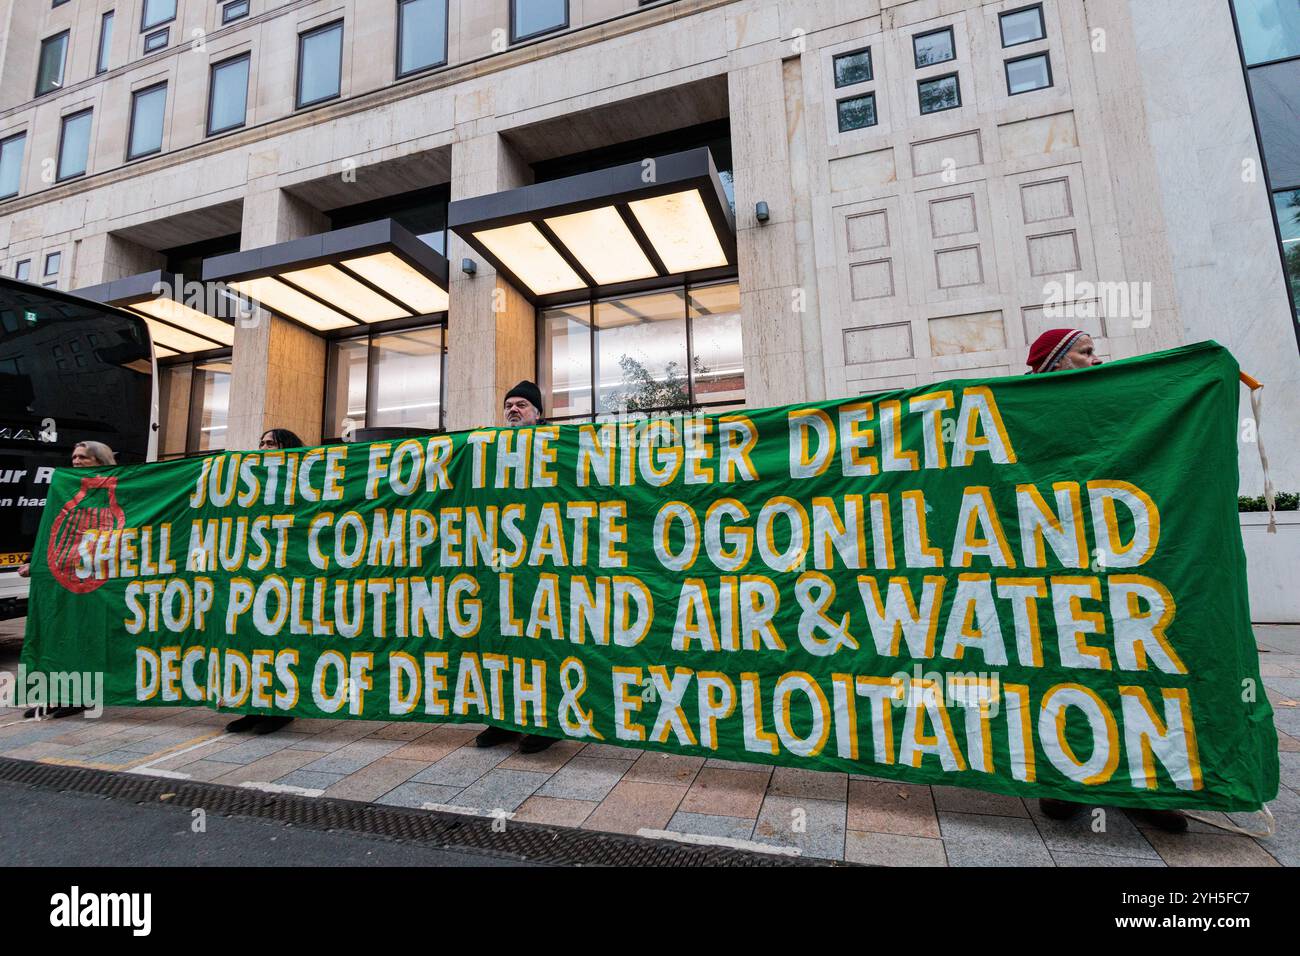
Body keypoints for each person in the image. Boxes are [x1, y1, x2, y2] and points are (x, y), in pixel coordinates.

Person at [1026, 328, 1187, 834]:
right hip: (1053, 560)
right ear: (1054, 363)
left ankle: (1146, 785)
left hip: (1120, 559)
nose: (1098, 360)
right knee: (1062, 665)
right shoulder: (1023, 411)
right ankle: (1063, 778)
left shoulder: (1117, 402)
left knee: (1134, 665)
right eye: (1086, 352)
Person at [474, 381, 559, 754]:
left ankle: (546, 722)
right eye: (508, 404)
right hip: (501, 566)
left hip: (545, 565)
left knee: (542, 645)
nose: (513, 410)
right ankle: (503, 718)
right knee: (501, 642)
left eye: (522, 404)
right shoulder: (488, 449)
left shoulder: (559, 448)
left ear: (538, 413)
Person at [20, 441, 117, 718]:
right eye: (74, 456)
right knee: (55, 636)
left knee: (84, 637)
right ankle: (51, 695)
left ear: (99, 461)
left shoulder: (114, 489)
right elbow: (54, 527)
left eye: (83, 457)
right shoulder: (66, 487)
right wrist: (35, 562)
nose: (75, 461)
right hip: (61, 577)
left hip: (95, 579)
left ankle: (81, 696)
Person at [223, 427, 306, 735]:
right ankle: (252, 707)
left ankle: (280, 709)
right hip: (254, 576)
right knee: (250, 643)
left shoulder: (303, 480)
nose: (262, 447)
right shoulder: (251, 482)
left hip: (288, 575)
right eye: (260, 442)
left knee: (280, 644)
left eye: (270, 443)